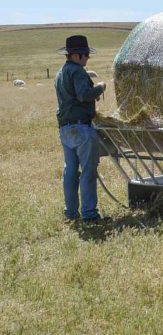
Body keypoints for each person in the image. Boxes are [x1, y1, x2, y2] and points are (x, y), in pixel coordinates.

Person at [56, 35, 108, 223]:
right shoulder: (77, 71)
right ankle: (89, 214)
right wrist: (100, 87)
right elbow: (83, 95)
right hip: (81, 128)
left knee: (70, 171)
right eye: (86, 54)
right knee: (88, 171)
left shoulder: (61, 72)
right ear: (76, 55)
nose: (88, 58)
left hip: (65, 128)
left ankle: (71, 213)